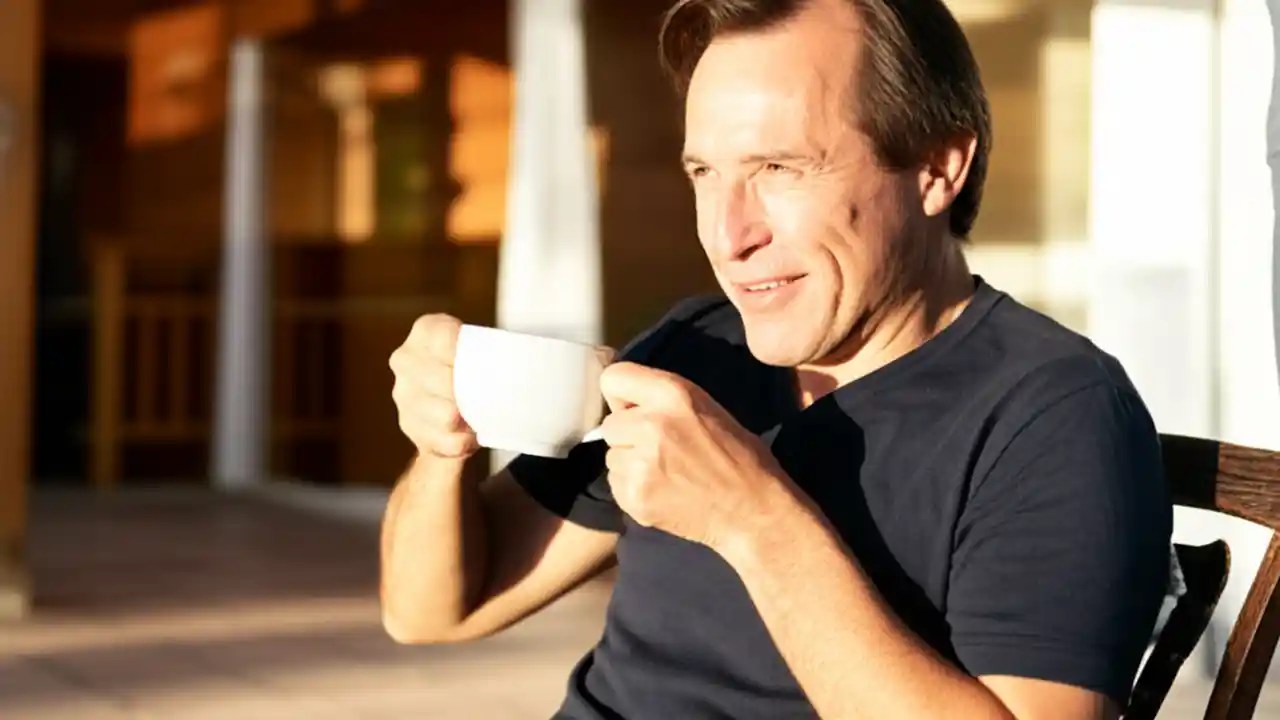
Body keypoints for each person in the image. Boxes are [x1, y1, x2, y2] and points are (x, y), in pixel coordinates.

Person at [380, 0, 1172, 717]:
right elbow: (431, 611)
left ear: (937, 168)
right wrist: (441, 446)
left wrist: (754, 521)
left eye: (779, 169)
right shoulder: (700, 350)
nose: (729, 236)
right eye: (704, 173)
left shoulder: (1054, 411)